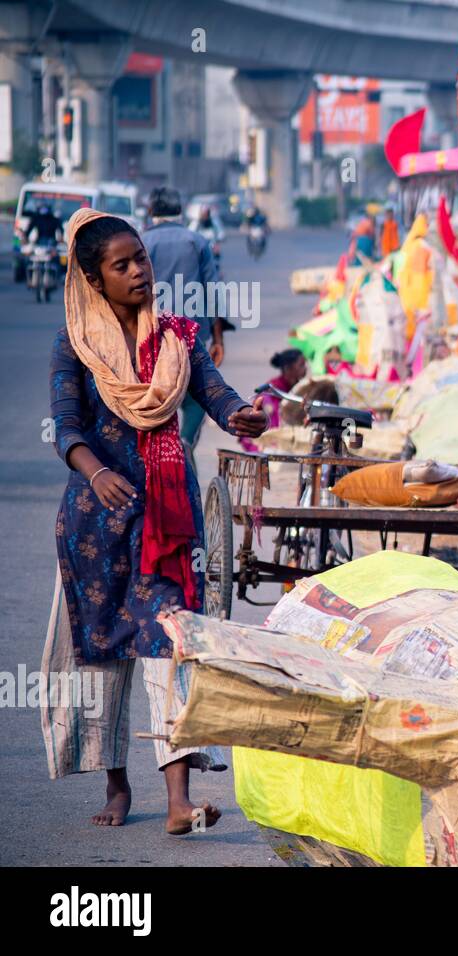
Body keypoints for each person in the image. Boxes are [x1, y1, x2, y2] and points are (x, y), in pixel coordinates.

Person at [45, 209, 268, 832]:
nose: (140, 271)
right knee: (104, 653)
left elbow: (212, 388)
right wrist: (95, 471)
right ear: (94, 280)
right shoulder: (76, 345)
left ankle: (178, 800)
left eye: (140, 258)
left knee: (170, 646)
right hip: (97, 519)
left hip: (166, 523)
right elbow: (66, 427)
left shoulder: (175, 335)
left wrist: (240, 414)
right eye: (123, 265)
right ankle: (117, 787)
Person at [141, 187, 225, 451]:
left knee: (154, 397)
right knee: (198, 395)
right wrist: (218, 338)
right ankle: (185, 441)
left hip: (148, 337)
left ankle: (164, 449)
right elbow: (213, 291)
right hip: (192, 336)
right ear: (180, 211)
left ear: (151, 211)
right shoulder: (197, 241)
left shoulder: (139, 242)